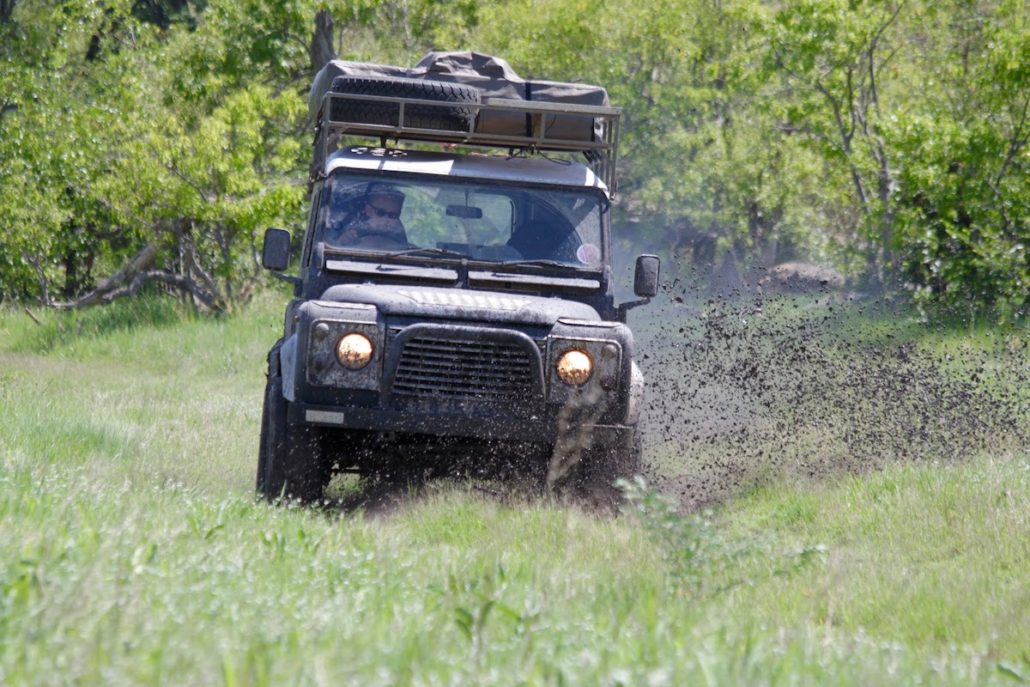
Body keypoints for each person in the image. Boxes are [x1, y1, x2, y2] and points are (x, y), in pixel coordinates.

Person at [328, 183, 409, 249]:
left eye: (393, 215)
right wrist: (342, 241)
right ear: (368, 209)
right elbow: (329, 247)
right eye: (380, 213)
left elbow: (407, 252)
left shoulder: (399, 233)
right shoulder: (347, 225)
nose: (386, 220)